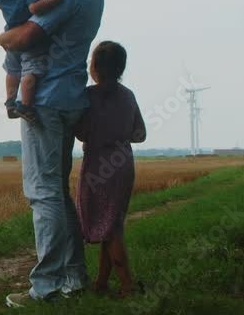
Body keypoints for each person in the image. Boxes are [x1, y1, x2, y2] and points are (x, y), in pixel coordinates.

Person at [0, 0, 104, 308]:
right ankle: (74, 277)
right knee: (57, 193)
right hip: (70, 96)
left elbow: (26, 36)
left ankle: (44, 288)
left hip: (46, 100)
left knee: (43, 194)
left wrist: (1, 37)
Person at [75, 41, 146, 298]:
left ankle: (128, 285)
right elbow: (141, 134)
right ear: (121, 68)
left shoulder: (88, 97)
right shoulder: (128, 96)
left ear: (93, 66)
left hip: (98, 166)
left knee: (111, 228)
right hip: (123, 165)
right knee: (112, 222)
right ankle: (101, 283)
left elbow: (81, 131)